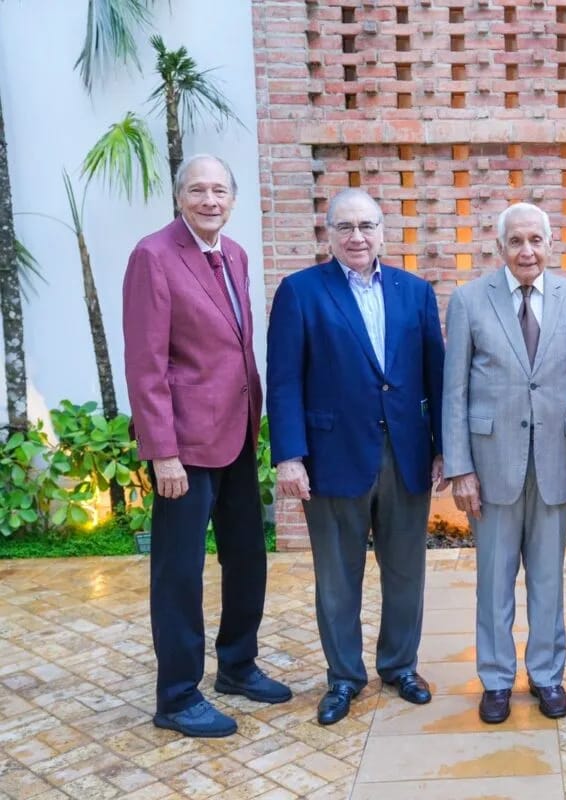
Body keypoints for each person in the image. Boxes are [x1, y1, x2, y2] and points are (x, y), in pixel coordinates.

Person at [122, 154, 292, 738]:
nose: (210, 200)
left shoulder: (236, 254)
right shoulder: (153, 255)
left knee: (247, 557)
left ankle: (237, 666)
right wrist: (162, 451)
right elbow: (146, 364)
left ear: (233, 199)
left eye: (220, 190)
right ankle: (176, 696)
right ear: (179, 197)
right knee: (180, 572)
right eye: (198, 190)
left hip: (239, 434)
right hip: (185, 447)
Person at [265, 188, 446, 725]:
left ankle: (399, 665)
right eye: (344, 227)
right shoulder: (301, 292)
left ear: (383, 231)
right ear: (328, 234)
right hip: (331, 456)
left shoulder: (414, 292)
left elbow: (434, 376)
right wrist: (290, 456)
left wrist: (442, 448)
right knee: (337, 577)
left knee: (405, 569)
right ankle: (344, 676)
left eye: (366, 225)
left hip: (406, 453)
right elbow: (283, 381)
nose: (357, 237)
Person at [442, 202, 566, 724]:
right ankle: (495, 679)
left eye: (536, 240)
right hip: (490, 467)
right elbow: (455, 392)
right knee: (493, 578)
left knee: (549, 578)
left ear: (551, 244)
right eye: (516, 241)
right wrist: (460, 468)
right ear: (500, 247)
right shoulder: (469, 302)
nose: (526, 250)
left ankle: (548, 674)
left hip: (557, 460)